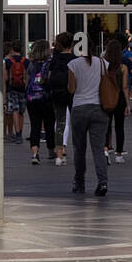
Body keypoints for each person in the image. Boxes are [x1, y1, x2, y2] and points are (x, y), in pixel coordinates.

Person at [67, 42, 109, 196]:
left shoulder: (72, 64)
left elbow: (71, 89)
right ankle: (103, 182)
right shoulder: (103, 63)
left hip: (79, 108)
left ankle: (79, 182)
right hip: (99, 108)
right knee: (98, 148)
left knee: (79, 148)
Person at [47, 31, 74, 165]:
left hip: (57, 93)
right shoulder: (74, 59)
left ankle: (58, 155)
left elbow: (49, 77)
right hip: (71, 93)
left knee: (59, 123)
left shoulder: (55, 60)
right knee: (76, 124)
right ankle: (74, 150)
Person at [24, 40, 54, 164]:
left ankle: (35, 153)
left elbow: (26, 81)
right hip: (46, 98)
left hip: (32, 99)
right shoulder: (50, 64)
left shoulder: (31, 64)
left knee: (35, 126)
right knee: (49, 126)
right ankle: (51, 150)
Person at [104, 38, 130, 163]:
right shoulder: (123, 67)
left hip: (106, 97)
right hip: (119, 98)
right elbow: (125, 87)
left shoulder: (103, 66)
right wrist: (128, 104)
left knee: (106, 126)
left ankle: (105, 150)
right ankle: (119, 154)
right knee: (120, 126)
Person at [4, 42, 27, 145]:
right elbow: (28, 77)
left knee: (14, 111)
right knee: (21, 112)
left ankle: (17, 134)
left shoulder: (8, 62)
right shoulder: (26, 61)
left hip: (11, 89)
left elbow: (5, 78)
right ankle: (20, 133)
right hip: (22, 89)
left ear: (12, 50)